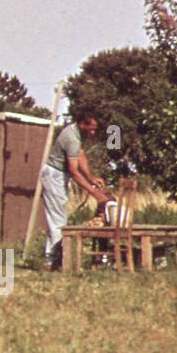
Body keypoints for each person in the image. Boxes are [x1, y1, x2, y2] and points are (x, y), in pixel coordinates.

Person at [40, 108, 113, 270]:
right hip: (54, 175)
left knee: (58, 216)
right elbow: (74, 171)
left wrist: (91, 178)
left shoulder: (76, 134)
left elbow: (80, 155)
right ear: (82, 124)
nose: (93, 132)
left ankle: (54, 259)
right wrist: (94, 193)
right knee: (58, 219)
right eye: (91, 128)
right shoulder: (71, 137)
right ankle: (53, 261)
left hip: (60, 175)